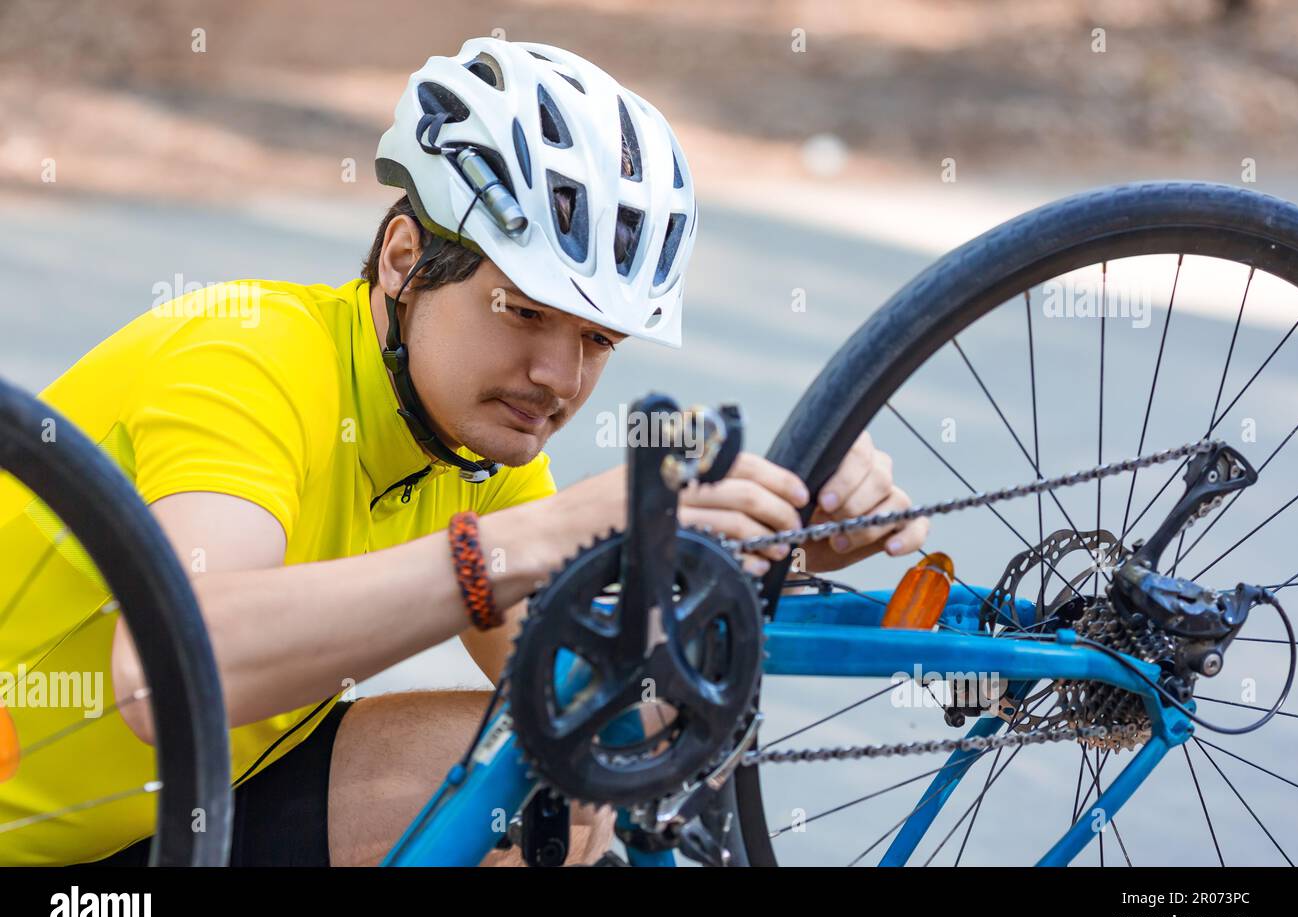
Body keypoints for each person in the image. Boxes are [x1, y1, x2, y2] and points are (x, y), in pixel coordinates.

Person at [0, 37, 928, 867]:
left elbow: (615, 714)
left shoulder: (478, 444)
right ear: (405, 258)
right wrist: (539, 537)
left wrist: (772, 563)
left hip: (174, 826)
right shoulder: (248, 357)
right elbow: (158, 678)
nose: (559, 378)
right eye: (523, 312)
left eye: (599, 341)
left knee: (555, 778)